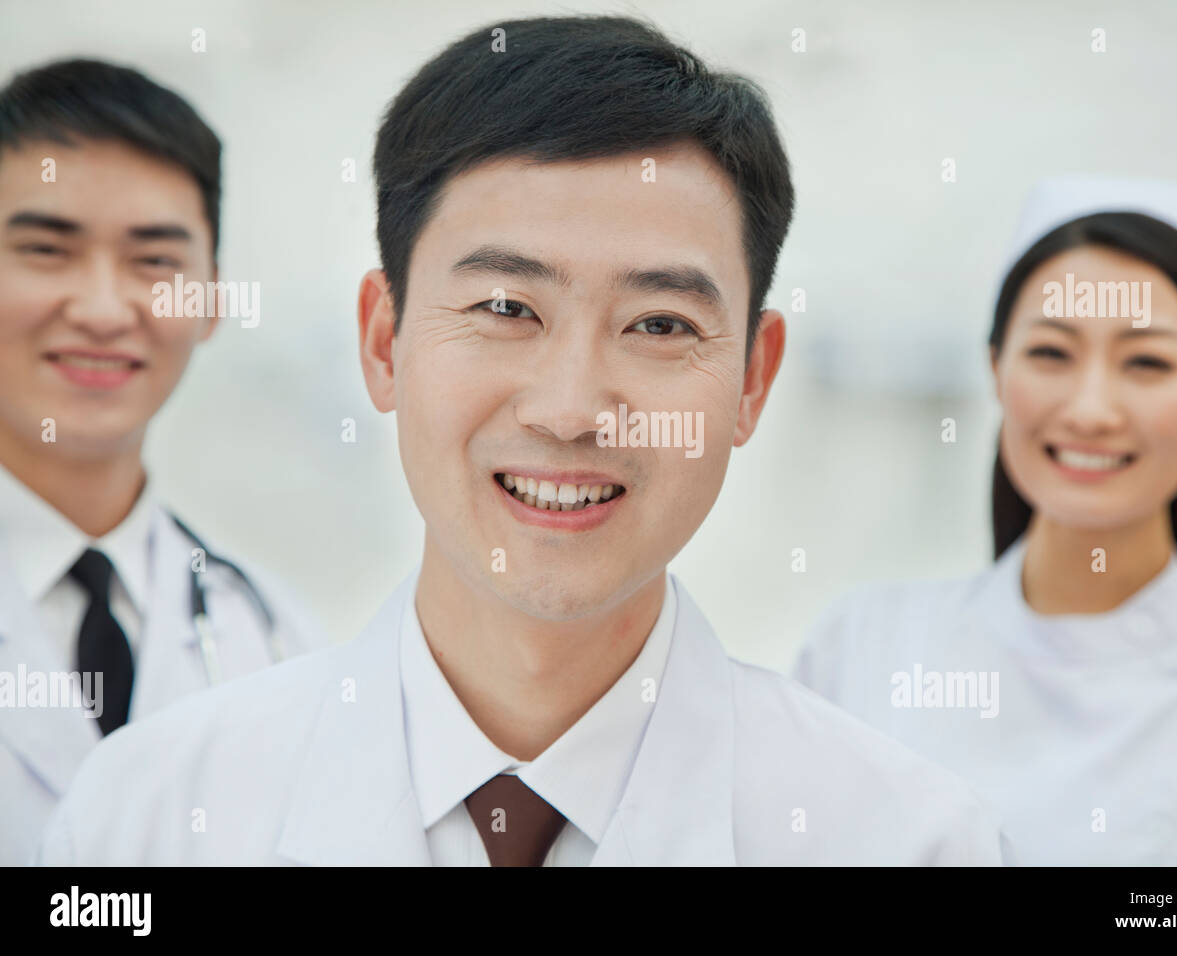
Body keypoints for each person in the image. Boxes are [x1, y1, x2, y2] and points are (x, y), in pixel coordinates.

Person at [38, 16, 1009, 866]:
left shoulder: (909, 841)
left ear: (752, 379)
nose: (571, 407)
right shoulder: (146, 818)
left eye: (660, 324)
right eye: (507, 306)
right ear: (384, 341)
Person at [796, 175, 1177, 865]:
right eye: (1051, 353)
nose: (1091, 408)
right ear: (997, 369)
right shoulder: (861, 645)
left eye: (1147, 361)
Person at [0, 59, 323, 865]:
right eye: (46, 249)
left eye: (154, 261)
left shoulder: (275, 637)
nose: (106, 310)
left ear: (211, 297)